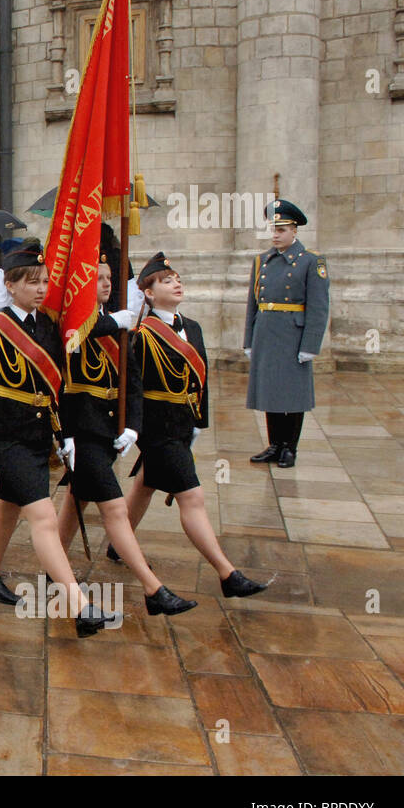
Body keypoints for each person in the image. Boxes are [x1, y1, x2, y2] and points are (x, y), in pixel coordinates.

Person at [0, 242, 117, 637]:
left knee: (9, 506)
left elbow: (62, 385)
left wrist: (66, 435)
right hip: (6, 434)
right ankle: (79, 604)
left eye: (44, 282)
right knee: (41, 515)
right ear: (10, 284)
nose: (41, 289)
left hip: (41, 433)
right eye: (31, 282)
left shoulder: (50, 328)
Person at [55, 255, 197, 616]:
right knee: (115, 509)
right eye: (97, 278)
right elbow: (63, 384)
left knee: (76, 503)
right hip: (81, 433)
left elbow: (132, 384)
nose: (105, 284)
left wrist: (132, 426)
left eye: (108, 278)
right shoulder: (71, 327)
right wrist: (65, 436)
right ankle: (153, 590)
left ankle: (53, 573)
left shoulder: (120, 328)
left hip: (107, 433)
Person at [122, 252, 269, 599]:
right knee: (193, 496)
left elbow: (200, 379)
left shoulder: (194, 327)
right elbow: (134, 388)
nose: (176, 283)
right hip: (157, 428)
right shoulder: (142, 335)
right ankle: (227, 573)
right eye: (166, 280)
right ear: (148, 292)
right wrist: (132, 428)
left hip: (182, 423)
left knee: (146, 484)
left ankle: (119, 542)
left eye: (177, 278)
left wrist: (199, 421)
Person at [245, 199, 330, 469]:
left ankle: (289, 447)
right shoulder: (262, 261)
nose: (275, 234)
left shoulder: (311, 262)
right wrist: (249, 339)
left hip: (294, 334)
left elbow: (318, 307)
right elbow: (253, 304)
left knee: (292, 394)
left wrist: (311, 345)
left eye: (281, 229)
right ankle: (274, 444)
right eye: (273, 228)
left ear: (294, 230)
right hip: (267, 332)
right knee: (270, 389)